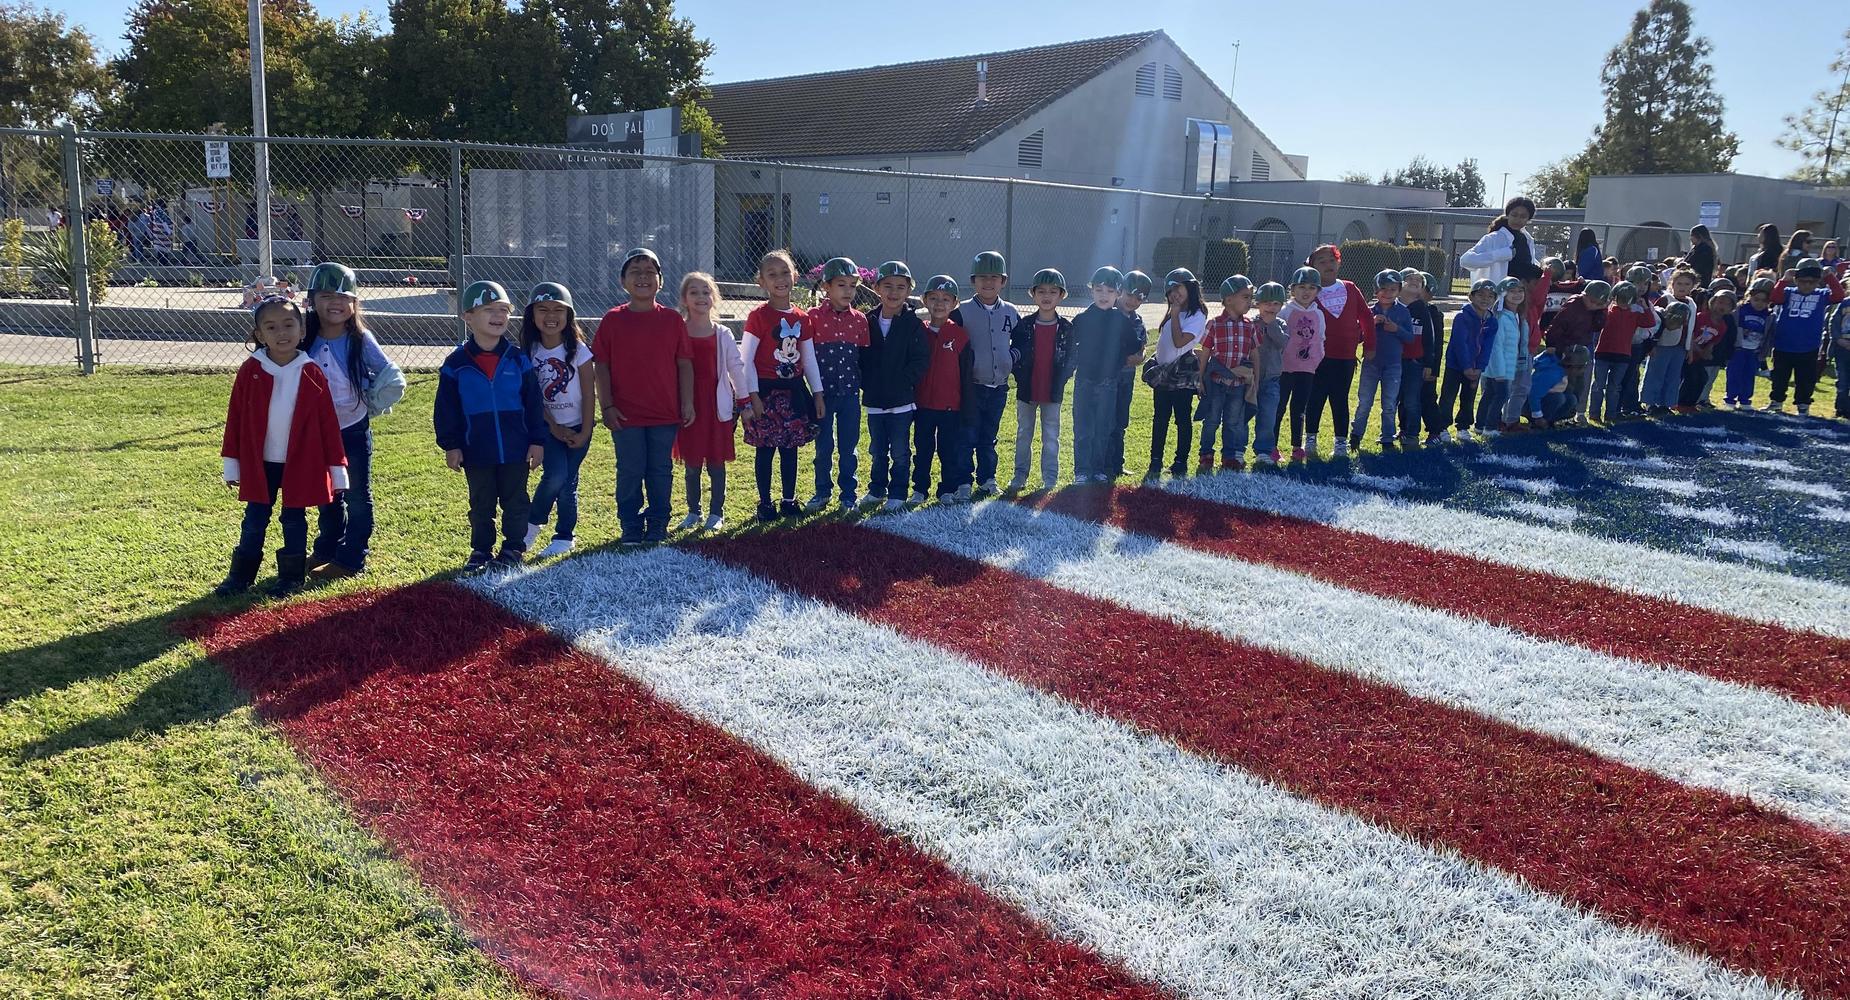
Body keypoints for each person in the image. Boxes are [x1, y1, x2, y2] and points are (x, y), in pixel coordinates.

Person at [215, 296, 349, 597]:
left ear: (302, 330)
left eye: (289, 324)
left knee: (293, 519)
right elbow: (235, 418)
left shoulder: (311, 372)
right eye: (271, 327)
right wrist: (232, 463)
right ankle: (240, 576)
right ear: (260, 335)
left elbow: (328, 424)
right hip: (260, 463)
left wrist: (337, 469)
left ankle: (291, 577)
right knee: (254, 519)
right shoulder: (250, 370)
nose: (281, 333)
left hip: (299, 463)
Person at [301, 262, 403, 580]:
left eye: (344, 297)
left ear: (354, 303)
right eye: (327, 295)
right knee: (327, 492)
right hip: (317, 433)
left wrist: (371, 403)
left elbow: (391, 376)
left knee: (358, 494)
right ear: (312, 300)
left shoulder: (360, 338)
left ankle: (353, 556)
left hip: (353, 429)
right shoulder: (303, 336)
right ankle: (327, 548)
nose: (336, 303)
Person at [434, 280, 545, 573]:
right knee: (481, 503)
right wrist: (452, 444)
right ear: (467, 317)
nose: (498, 316)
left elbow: (534, 404)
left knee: (516, 499)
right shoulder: (455, 364)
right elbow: (446, 409)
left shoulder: (519, 359)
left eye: (503, 310)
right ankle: (481, 549)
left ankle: (513, 547)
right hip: (476, 449)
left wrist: (537, 440)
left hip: (515, 448)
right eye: (488, 310)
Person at [592, 248, 696, 543]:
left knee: (660, 469)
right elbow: (602, 365)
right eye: (635, 272)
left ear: (660, 282)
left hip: (664, 412)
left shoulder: (672, 320)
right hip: (625, 415)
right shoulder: (612, 320)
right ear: (623, 281)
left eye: (650, 272)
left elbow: (684, 363)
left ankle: (659, 520)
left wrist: (687, 402)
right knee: (629, 469)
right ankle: (630, 522)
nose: (643, 277)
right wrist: (607, 406)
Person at [740, 250, 823, 520]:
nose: (780, 279)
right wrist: (752, 396)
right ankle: (765, 503)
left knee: (790, 449)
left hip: (795, 393)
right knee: (765, 450)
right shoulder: (758, 316)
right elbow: (746, 360)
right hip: (765, 393)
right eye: (772, 274)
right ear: (761, 281)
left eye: (785, 272)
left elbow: (808, 360)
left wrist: (818, 394)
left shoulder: (804, 318)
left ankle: (788, 500)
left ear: (795, 277)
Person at [517, 281, 597, 554]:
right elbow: (533, 399)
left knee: (568, 482)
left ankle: (564, 536)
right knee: (556, 476)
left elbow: (589, 394)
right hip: (547, 427)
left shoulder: (579, 350)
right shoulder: (528, 353)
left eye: (557, 310)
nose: (550, 316)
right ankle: (533, 524)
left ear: (568, 316)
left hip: (579, 426)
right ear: (532, 315)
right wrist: (554, 427)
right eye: (543, 309)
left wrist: (585, 431)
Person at [675, 272, 752, 533]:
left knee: (716, 463)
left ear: (714, 298)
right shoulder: (678, 331)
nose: (701, 297)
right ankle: (693, 511)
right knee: (692, 463)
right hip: (689, 406)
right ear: (684, 299)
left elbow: (735, 368)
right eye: (694, 292)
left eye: (706, 292)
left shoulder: (723, 333)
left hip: (716, 406)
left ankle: (716, 512)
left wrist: (744, 401)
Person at [862, 261, 929, 510]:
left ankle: (898, 492)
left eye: (901, 287)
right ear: (876, 287)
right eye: (887, 286)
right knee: (878, 450)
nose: (894, 292)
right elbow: (861, 358)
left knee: (900, 451)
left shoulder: (913, 324)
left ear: (908, 291)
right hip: (875, 400)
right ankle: (876, 490)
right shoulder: (867, 320)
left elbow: (921, 360)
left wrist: (903, 382)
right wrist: (867, 383)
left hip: (902, 401)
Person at [953, 251, 1020, 495]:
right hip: (972, 386)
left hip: (999, 386)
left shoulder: (1011, 312)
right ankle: (963, 481)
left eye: (994, 277)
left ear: (1003, 281)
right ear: (973, 281)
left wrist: (1012, 357)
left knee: (989, 436)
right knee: (967, 435)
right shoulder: (963, 311)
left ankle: (988, 478)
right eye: (982, 277)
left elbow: (1023, 341)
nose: (988, 282)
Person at [804, 257, 867, 512]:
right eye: (841, 284)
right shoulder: (813, 318)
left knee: (848, 447)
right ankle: (822, 491)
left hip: (851, 395)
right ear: (826, 287)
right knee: (823, 447)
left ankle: (848, 494)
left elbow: (864, 358)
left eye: (852, 285)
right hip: (823, 395)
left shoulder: (860, 320)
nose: (848, 291)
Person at [912, 274, 978, 502]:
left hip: (951, 407)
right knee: (922, 449)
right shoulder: (918, 332)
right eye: (934, 298)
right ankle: (920, 489)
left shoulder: (960, 336)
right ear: (924, 300)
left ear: (955, 304)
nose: (939, 304)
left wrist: (966, 408)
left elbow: (966, 376)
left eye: (946, 299)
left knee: (948, 450)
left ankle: (947, 489)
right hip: (923, 405)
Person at [1010, 268, 1074, 491]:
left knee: (1051, 436)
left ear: (1061, 295)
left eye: (1053, 291)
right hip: (1027, 390)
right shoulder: (1024, 325)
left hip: (1052, 392)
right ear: (1033, 295)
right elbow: (1015, 353)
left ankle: (1050, 476)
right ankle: (1020, 475)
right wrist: (1019, 377)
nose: (1047, 296)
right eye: (1042, 291)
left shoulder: (1067, 328)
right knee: (1023, 434)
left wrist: (1062, 380)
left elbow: (1071, 360)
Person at [1303, 244, 1370, 458]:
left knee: (1340, 399)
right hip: (1317, 358)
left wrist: (1370, 345)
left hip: (1345, 358)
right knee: (1315, 398)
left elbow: (1366, 317)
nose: (1328, 265)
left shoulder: (1349, 288)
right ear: (1312, 266)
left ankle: (1341, 442)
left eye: (1332, 260)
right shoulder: (1309, 291)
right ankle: (1310, 438)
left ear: (1339, 263)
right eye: (1322, 261)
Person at [1071, 266, 1137, 481]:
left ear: (1118, 294)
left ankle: (1099, 468)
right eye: (1099, 290)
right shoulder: (1082, 319)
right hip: (1084, 381)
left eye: (1110, 291)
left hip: (1109, 382)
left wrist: (1117, 360)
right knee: (1083, 429)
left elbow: (1133, 345)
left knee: (1104, 428)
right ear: (1091, 291)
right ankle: (1081, 470)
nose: (1104, 295)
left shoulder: (1121, 320)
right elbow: (1070, 346)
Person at [1145, 267, 1206, 478]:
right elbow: (1165, 343)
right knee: (1160, 417)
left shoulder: (1196, 315)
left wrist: (1175, 313)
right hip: (1163, 374)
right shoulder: (1174, 314)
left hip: (1181, 374)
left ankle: (1180, 461)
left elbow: (1180, 341)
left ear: (1190, 287)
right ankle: (1155, 460)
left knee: (1182, 417)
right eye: (1170, 291)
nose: (1174, 294)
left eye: (1178, 288)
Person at [1196, 275, 1259, 470]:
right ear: (1229, 299)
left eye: (1250, 297)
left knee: (1233, 422)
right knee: (1212, 420)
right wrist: (1200, 378)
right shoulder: (1214, 324)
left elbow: (1255, 354)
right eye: (1245, 297)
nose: (1250, 301)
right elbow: (1205, 352)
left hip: (1238, 385)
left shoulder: (1249, 325)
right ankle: (1206, 454)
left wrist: (1254, 380)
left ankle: (1229, 456)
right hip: (1216, 382)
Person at [1767, 258, 1846, 415]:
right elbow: (1775, 298)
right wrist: (1783, 281)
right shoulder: (1788, 293)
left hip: (1808, 347)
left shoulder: (1822, 295)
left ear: (1818, 282)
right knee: (1779, 377)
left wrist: (1830, 277)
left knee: (1805, 379)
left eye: (1812, 282)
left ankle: (1803, 404)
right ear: (1796, 280)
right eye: (1803, 281)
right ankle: (1776, 401)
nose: (1807, 285)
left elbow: (1838, 296)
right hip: (1784, 345)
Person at [1350, 269, 1415, 450]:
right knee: (1365, 402)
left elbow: (1410, 338)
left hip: (1393, 365)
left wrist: (1396, 329)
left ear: (1399, 291)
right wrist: (1370, 324)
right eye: (1384, 289)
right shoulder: (1368, 312)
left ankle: (1387, 438)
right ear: (1376, 291)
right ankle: (1355, 436)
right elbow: (1357, 337)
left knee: (1389, 403)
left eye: (1393, 289)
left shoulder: (1403, 312)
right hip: (1371, 364)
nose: (1388, 293)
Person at [1437, 279, 1498, 442]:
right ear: (1471, 296)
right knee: (1448, 397)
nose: (1485, 299)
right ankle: (1442, 427)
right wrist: (1466, 367)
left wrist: (1480, 367)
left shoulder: (1492, 321)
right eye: (1481, 295)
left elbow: (1487, 347)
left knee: (1468, 397)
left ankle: (1463, 427)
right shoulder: (1462, 317)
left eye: (1490, 296)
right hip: (1456, 366)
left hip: (1475, 369)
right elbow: (1459, 344)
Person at [1277, 267, 1326, 461]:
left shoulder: (1319, 314)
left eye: (1312, 288)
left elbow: (1321, 338)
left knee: (1299, 408)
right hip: (1285, 369)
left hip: (1306, 370)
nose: (1306, 292)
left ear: (1317, 292)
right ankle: (1271, 445)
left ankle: (1297, 446)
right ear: (1292, 290)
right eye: (1302, 287)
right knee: (1279, 407)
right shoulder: (1285, 312)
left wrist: (1316, 360)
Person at [1590, 281, 1657, 423]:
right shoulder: (1608, 311)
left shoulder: (1634, 314)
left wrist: (1645, 306)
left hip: (1623, 355)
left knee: (1614, 387)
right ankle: (1594, 413)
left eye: (1628, 300)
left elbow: (1650, 323)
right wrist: (1607, 303)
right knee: (1598, 385)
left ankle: (1610, 415)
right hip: (1603, 353)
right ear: (1615, 297)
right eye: (1622, 299)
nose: (1625, 303)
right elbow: (1596, 320)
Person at [1543, 280, 1610, 421]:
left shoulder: (1594, 310)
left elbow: (1598, 326)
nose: (1594, 306)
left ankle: (1572, 414)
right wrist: (1555, 347)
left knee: (1579, 386)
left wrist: (1602, 311)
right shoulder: (1572, 307)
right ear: (1585, 295)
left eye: (1598, 304)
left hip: (1581, 351)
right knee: (1565, 386)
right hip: (1567, 352)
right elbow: (1555, 328)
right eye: (1592, 301)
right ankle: (1558, 416)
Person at [1113, 270, 1152, 476]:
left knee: (1121, 421)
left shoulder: (1137, 321)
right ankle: (1099, 464)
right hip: (1108, 378)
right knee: (1104, 420)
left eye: (1138, 298)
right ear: (1120, 291)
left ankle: (1117, 464)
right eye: (1129, 295)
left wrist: (1142, 355)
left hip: (1127, 379)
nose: (1132, 301)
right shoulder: (1109, 315)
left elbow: (1143, 346)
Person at [1394, 269, 1438, 448]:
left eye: (1419, 280)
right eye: (1409, 278)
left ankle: (1412, 434)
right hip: (1393, 361)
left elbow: (1429, 339)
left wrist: (1429, 363)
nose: (1414, 281)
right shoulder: (1392, 306)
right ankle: (1402, 428)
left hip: (1414, 362)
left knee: (1412, 399)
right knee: (1397, 398)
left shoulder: (1423, 310)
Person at [1678, 281, 1736, 412]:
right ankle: (1681, 402)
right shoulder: (1701, 317)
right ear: (1712, 302)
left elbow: (1712, 342)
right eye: (1720, 302)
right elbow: (1690, 335)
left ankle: (1691, 403)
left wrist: (1707, 352)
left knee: (1702, 377)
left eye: (1727, 304)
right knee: (1690, 377)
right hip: (1688, 352)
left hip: (1698, 355)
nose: (1723, 306)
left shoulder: (1722, 326)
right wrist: (1697, 351)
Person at [1477, 278, 1524, 438]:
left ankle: (1480, 425)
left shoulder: (1513, 315)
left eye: (1520, 291)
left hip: (1504, 366)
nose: (1517, 294)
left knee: (1489, 394)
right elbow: (1496, 347)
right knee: (1501, 395)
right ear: (1503, 295)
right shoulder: (1502, 317)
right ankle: (1490, 427)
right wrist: (1499, 371)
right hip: (1499, 368)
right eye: (1512, 291)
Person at [1250, 281, 1289, 466]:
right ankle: (1236, 449)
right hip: (1250, 378)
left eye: (1276, 304)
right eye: (1267, 303)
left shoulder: (1280, 324)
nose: (1271, 307)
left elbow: (1282, 342)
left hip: (1272, 380)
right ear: (1258, 304)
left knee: (1267, 416)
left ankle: (1264, 450)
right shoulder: (1250, 324)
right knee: (1242, 414)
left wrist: (1271, 325)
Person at [1726, 277, 1776, 409]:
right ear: (1750, 296)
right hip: (1738, 349)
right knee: (1734, 374)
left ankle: (1745, 400)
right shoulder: (1740, 310)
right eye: (1756, 299)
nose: (1760, 303)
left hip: (1754, 351)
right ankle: (1730, 399)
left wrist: (1764, 351)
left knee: (1749, 376)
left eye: (1764, 301)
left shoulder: (1769, 315)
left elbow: (1769, 336)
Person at [1642, 298, 1694, 416]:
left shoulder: (1690, 306)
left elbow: (1690, 329)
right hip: (1660, 347)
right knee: (1655, 375)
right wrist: (1651, 346)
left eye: (1678, 324)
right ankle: (1650, 403)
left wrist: (1688, 347)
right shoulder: (1659, 315)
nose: (1674, 326)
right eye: (1672, 322)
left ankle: (1666, 403)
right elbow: (1651, 333)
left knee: (1673, 377)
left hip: (1677, 346)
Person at [1413, 271, 1447, 445]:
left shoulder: (1433, 314)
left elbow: (1437, 344)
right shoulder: (1403, 310)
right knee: (1406, 399)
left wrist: (1433, 368)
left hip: (1426, 364)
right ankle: (1407, 430)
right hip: (1408, 364)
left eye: (1420, 287)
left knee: (1427, 398)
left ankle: (1436, 430)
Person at [1526, 347, 1583, 428]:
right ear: (1573, 366)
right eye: (1581, 367)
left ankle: (1548, 421)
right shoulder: (1553, 373)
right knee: (1559, 398)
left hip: (1538, 401)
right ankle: (1538, 421)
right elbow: (1533, 394)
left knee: (1571, 399)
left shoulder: (1562, 372)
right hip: (1529, 404)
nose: (1582, 371)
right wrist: (1538, 417)